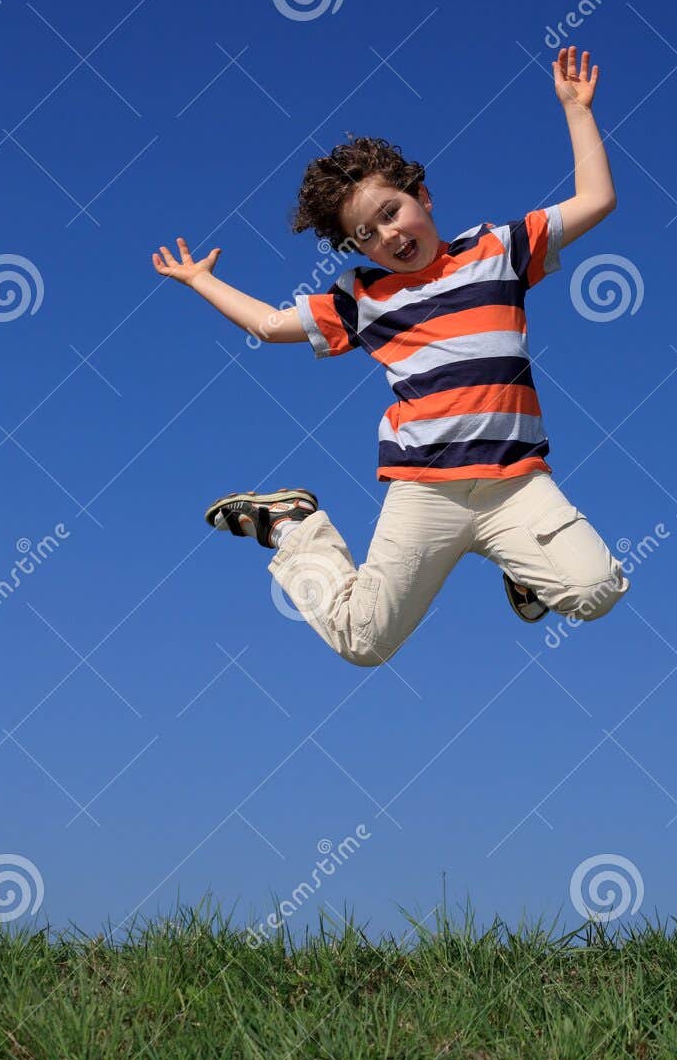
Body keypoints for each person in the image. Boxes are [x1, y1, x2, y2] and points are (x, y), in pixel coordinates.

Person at [152, 46, 629, 665]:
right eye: (367, 235)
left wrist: (577, 111)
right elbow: (270, 325)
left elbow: (596, 200)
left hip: (516, 485)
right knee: (365, 642)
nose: (389, 235)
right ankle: (291, 526)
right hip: (425, 491)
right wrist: (200, 281)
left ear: (422, 197)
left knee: (598, 590)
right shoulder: (364, 298)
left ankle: (526, 569)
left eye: (391, 212)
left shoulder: (498, 250)